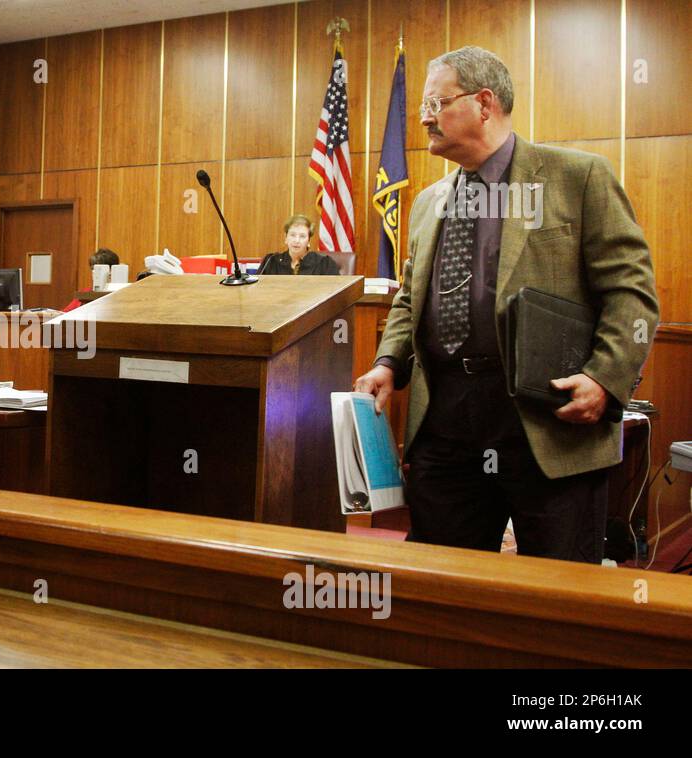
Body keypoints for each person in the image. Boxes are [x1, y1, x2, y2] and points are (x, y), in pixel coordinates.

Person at [352, 46, 658, 564]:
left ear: (484, 103)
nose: (424, 116)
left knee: (557, 594)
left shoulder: (577, 178)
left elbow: (631, 291)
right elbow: (409, 297)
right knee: (443, 585)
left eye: (436, 102)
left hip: (548, 417)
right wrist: (387, 361)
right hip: (445, 419)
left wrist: (606, 377)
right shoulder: (428, 203)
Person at [262, 215, 341, 275]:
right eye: (292, 235)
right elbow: (256, 289)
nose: (297, 240)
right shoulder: (271, 261)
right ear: (286, 238)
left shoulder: (325, 264)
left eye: (302, 236)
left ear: (309, 241)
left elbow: (337, 292)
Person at [62, 248, 120, 312]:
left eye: (98, 268)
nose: (94, 272)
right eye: (92, 268)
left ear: (111, 270)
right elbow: (65, 313)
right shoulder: (86, 292)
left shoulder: (120, 293)